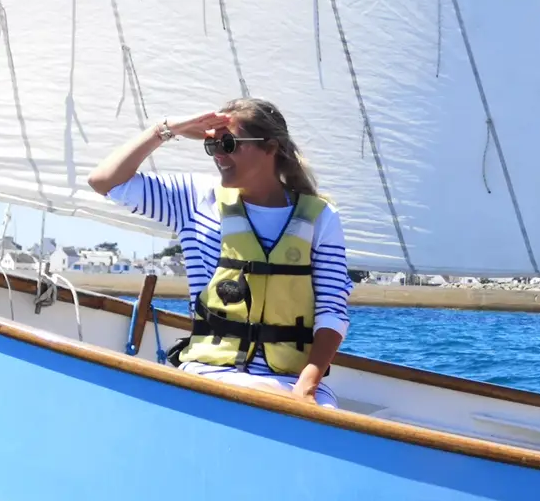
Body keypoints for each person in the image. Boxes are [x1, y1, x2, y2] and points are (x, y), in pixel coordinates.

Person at [87, 99, 351, 406]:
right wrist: (168, 129)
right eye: (212, 146)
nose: (219, 155)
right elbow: (104, 180)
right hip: (208, 373)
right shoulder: (195, 199)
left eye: (228, 143)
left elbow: (332, 312)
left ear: (270, 147)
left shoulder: (321, 217)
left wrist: (305, 389)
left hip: (295, 382)